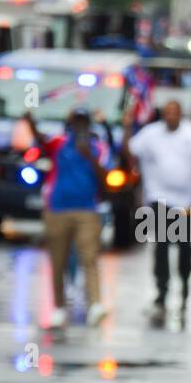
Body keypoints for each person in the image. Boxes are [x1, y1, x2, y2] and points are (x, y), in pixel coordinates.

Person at [126, 100, 191, 323]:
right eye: (167, 113)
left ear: (181, 115)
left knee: (184, 248)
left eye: (175, 113)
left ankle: (184, 289)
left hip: (185, 203)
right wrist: (127, 127)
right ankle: (161, 294)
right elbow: (131, 150)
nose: (171, 116)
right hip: (158, 198)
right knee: (161, 246)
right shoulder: (150, 134)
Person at [28, 107, 111, 328]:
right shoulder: (59, 143)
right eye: (76, 122)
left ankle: (94, 304)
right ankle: (59, 307)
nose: (79, 126)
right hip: (58, 208)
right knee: (58, 261)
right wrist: (30, 122)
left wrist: (89, 156)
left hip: (87, 209)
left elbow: (106, 176)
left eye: (83, 122)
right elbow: (40, 141)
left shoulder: (97, 147)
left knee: (89, 257)